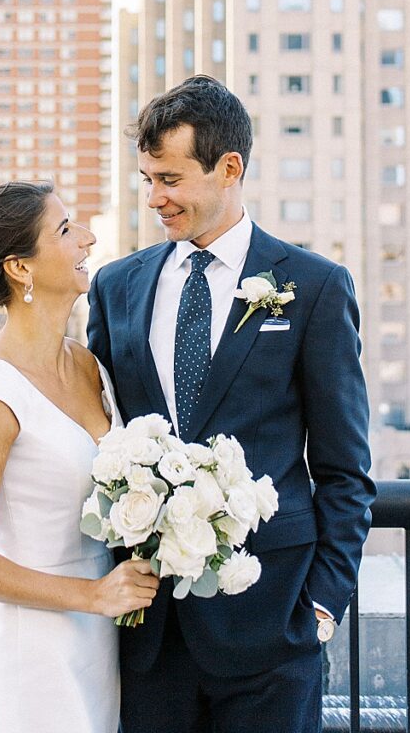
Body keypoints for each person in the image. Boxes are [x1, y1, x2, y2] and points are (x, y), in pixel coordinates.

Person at [87, 76, 375, 733]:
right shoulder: (115, 287)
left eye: (170, 179)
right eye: (147, 179)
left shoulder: (314, 287)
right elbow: (100, 434)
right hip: (148, 634)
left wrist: (323, 606)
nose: (155, 199)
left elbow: (345, 468)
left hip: (271, 628)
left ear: (229, 168)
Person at [0, 181, 159, 733]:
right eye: (63, 230)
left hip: (98, 646)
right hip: (27, 660)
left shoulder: (90, 368)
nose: (87, 238)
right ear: (20, 268)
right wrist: (92, 594)